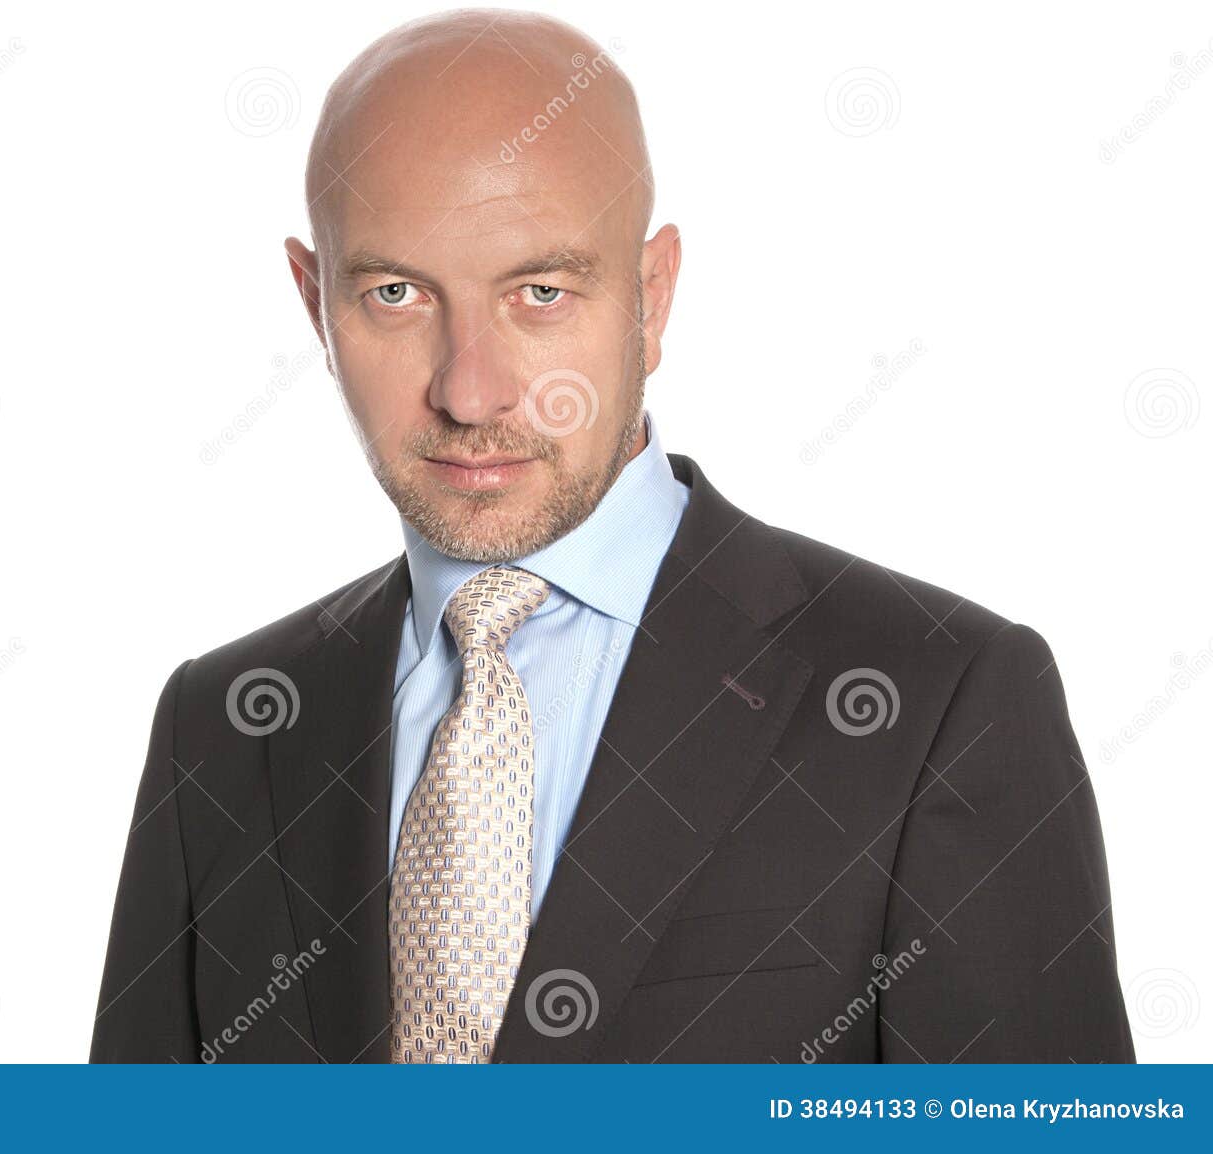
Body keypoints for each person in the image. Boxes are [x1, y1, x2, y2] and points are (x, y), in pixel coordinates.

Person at [90, 8, 1134, 1063]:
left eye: (540, 292)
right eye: (395, 294)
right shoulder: (218, 728)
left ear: (651, 294)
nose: (470, 389)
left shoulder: (936, 702)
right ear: (318, 306)